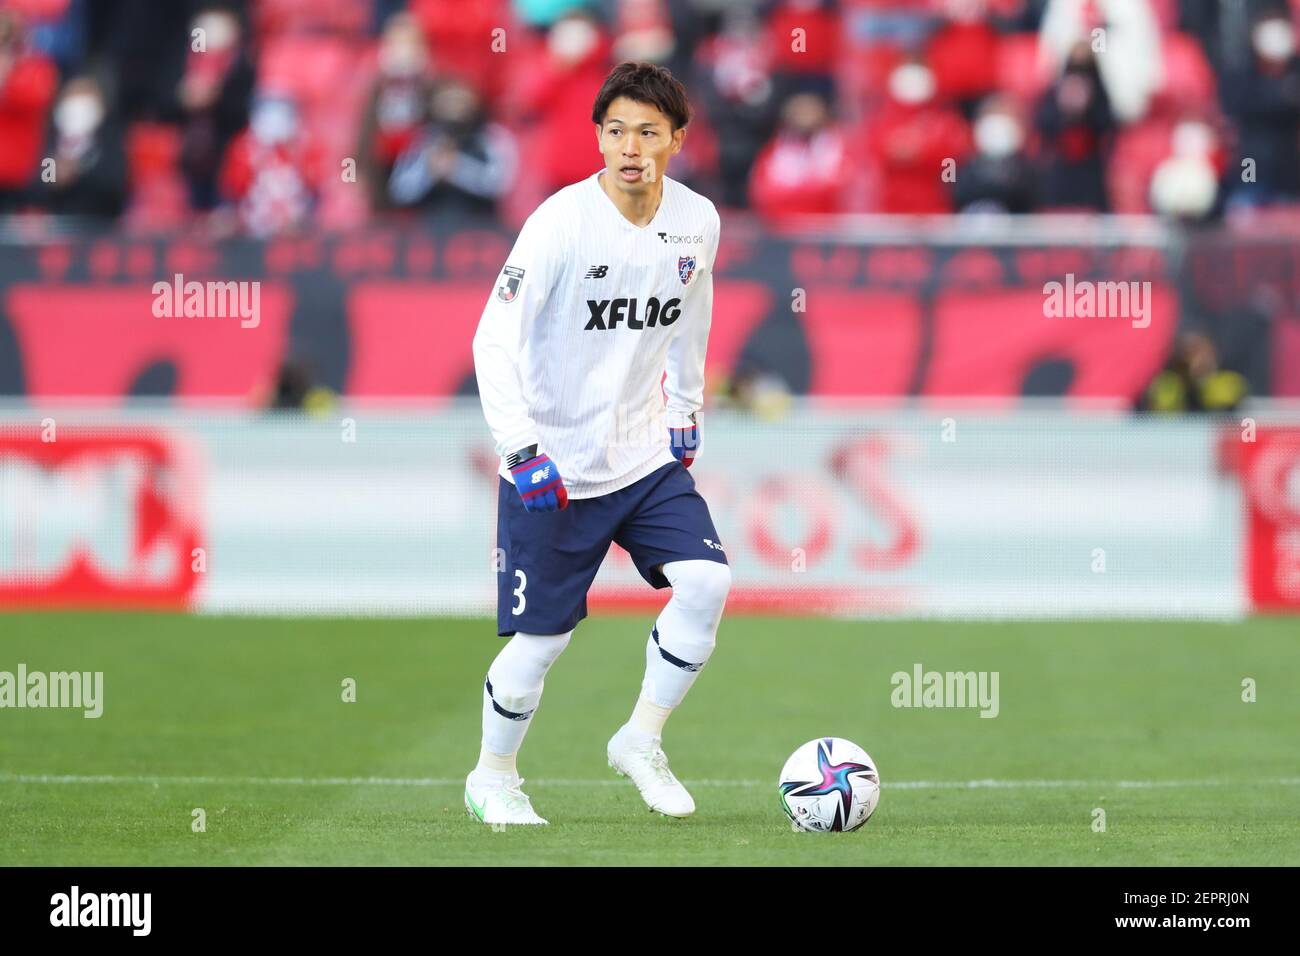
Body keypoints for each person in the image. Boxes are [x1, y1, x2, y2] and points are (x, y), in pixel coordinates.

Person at [467, 60, 731, 826]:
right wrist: (520, 451)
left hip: (644, 456)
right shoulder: (558, 224)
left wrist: (686, 402)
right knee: (541, 647)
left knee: (708, 585)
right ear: (598, 137)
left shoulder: (697, 220)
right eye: (615, 130)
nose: (630, 146)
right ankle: (493, 775)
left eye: (648, 132)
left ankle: (640, 739)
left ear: (677, 140)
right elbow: (493, 340)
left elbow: (693, 310)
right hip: (552, 465)